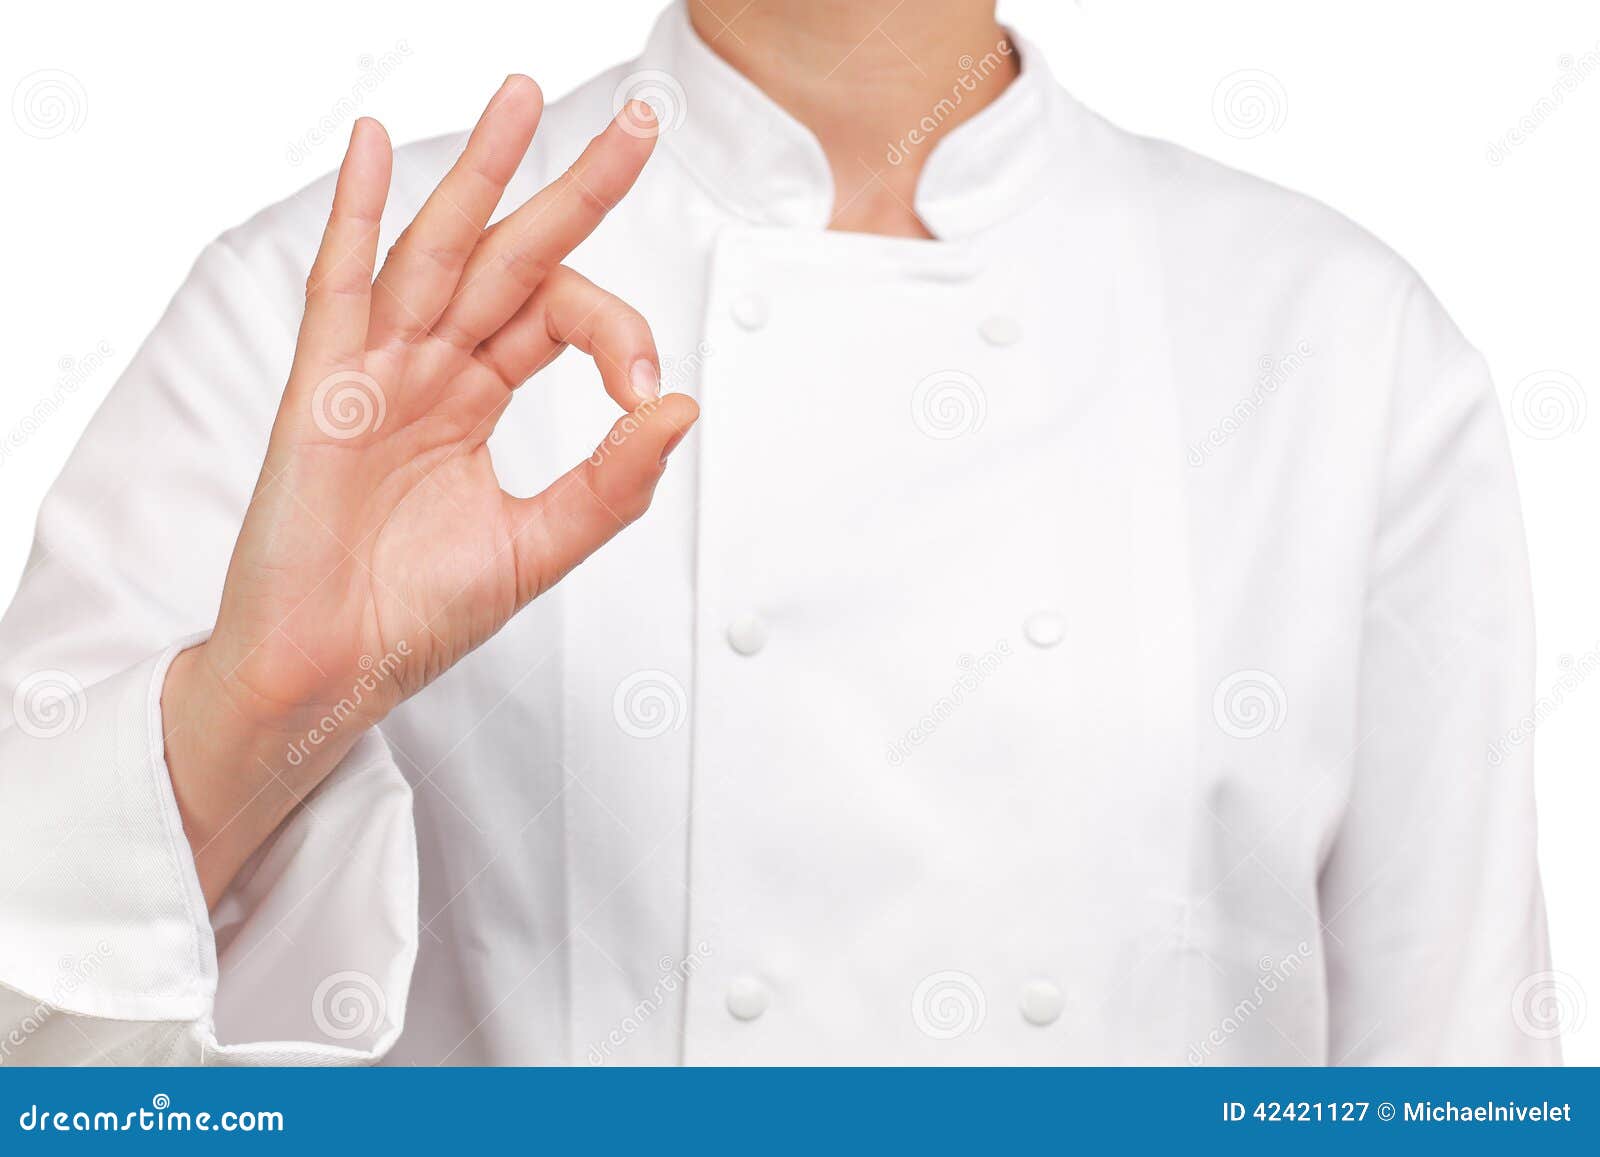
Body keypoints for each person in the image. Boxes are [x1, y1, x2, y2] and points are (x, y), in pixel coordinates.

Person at [0, 0, 1555, 1065]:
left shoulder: (1339, 347)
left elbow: (1457, 1074)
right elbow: (39, 1051)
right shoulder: (335, 316)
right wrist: (260, 707)